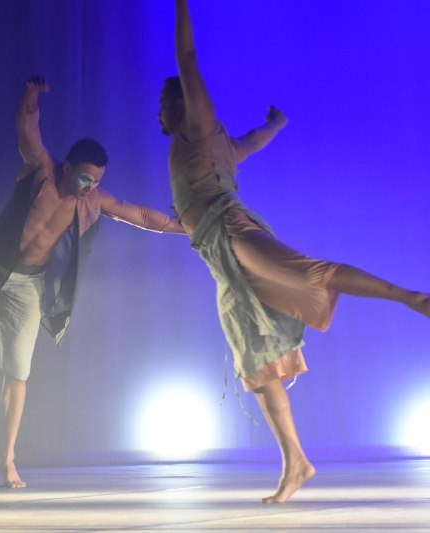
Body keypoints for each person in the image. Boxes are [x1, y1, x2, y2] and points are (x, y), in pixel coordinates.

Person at [159, 0, 430, 504]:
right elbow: (252, 143)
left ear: (179, 105)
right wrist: (277, 126)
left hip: (235, 233)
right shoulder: (207, 145)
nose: (158, 111)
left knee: (310, 274)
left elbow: (188, 57)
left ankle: (408, 297)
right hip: (220, 261)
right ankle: (296, 462)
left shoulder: (198, 123)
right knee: (259, 365)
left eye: (163, 102)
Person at [0, 76, 186, 488]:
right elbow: (27, 132)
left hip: (27, 283)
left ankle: (6, 458)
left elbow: (143, 216)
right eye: (84, 179)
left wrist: (185, 227)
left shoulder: (94, 200)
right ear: (69, 167)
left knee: (18, 371)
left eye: (95, 181)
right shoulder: (43, 171)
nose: (89, 187)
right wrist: (30, 95)